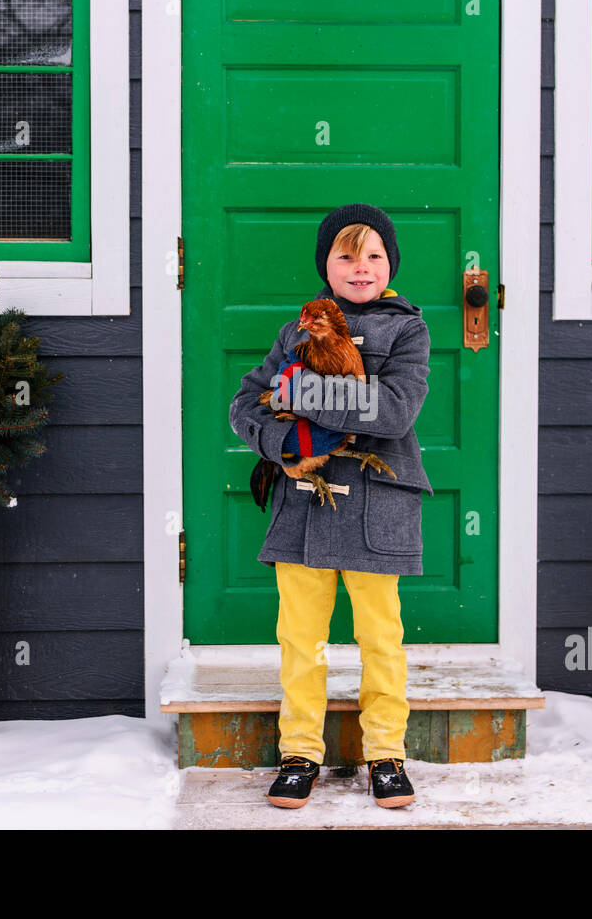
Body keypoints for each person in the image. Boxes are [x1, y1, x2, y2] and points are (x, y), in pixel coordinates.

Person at [228, 203, 433, 809]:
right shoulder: (294, 331)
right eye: (346, 255)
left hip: (379, 505)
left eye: (373, 255)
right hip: (303, 506)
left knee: (381, 638)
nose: (360, 267)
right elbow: (247, 402)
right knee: (301, 637)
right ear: (327, 264)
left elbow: (394, 412)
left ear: (389, 263)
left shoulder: (407, 331)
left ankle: (386, 754)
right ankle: (300, 753)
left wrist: (301, 395)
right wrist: (284, 440)